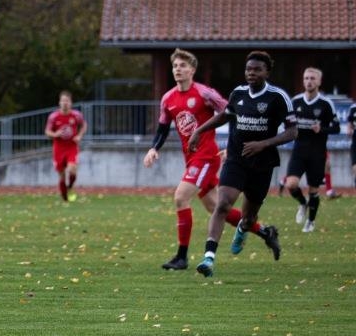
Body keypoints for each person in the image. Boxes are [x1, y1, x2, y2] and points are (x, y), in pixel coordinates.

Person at [143, 49, 276, 270]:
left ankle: (181, 257)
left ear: (192, 70)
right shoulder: (168, 98)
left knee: (180, 197)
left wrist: (231, 147)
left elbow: (232, 113)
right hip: (191, 158)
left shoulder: (205, 93)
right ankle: (265, 231)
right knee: (215, 207)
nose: (178, 69)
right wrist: (154, 148)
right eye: (175, 66)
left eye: (183, 66)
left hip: (206, 157)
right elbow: (163, 128)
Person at [189, 51, 296, 278]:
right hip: (236, 159)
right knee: (223, 204)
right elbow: (225, 116)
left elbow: (292, 131)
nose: (251, 73)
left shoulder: (278, 97)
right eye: (248, 69)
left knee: (248, 219)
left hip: (262, 163)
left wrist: (263, 143)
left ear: (267, 72)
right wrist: (199, 129)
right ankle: (208, 258)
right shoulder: (238, 93)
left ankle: (247, 229)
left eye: (257, 69)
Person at [284, 68, 340, 232]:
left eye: (312, 78)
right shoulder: (295, 102)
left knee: (314, 190)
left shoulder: (325, 104)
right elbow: (287, 122)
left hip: (317, 152)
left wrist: (321, 129)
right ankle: (302, 203)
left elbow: (336, 127)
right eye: (306, 78)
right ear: (303, 81)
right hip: (299, 150)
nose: (309, 81)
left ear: (319, 82)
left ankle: (311, 222)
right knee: (291, 184)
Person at [44, 91, 87, 201]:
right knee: (62, 175)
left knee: (72, 169)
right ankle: (65, 198)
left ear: (71, 103)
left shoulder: (76, 115)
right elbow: (47, 132)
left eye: (67, 101)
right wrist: (55, 134)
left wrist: (79, 136)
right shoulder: (53, 117)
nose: (65, 103)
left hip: (71, 146)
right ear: (59, 102)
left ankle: (70, 186)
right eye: (63, 101)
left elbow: (84, 125)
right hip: (58, 148)